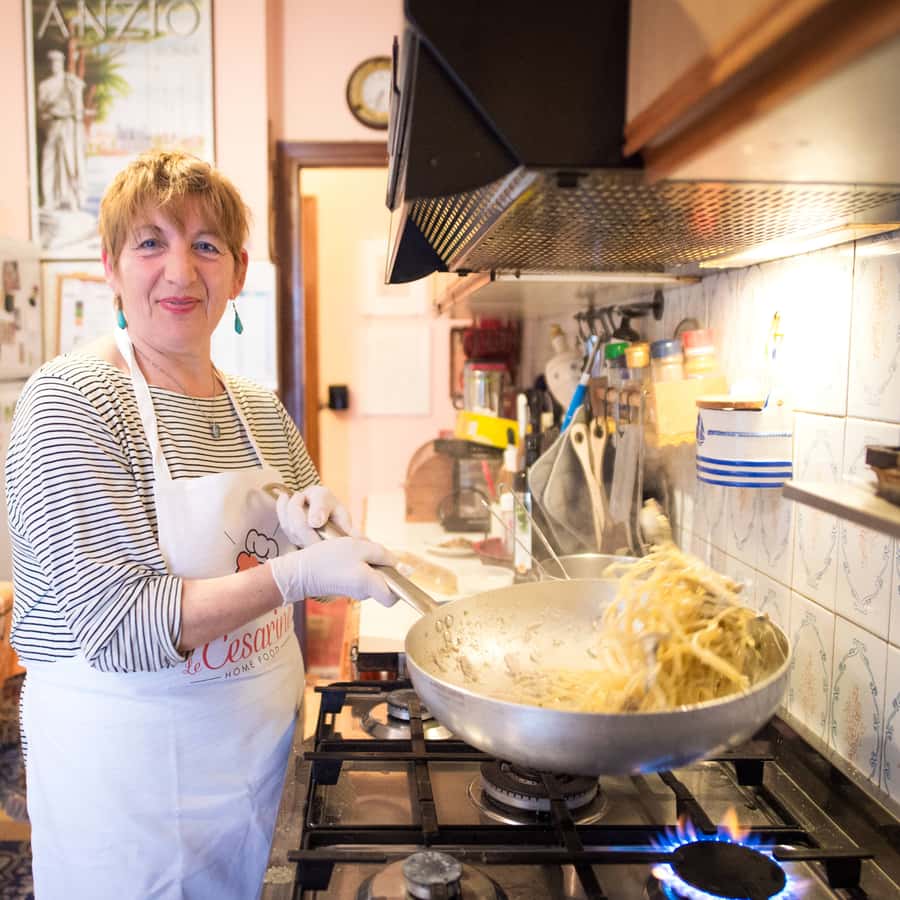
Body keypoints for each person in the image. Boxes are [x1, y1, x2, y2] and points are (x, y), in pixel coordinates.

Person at [5, 149, 398, 899]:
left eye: (206, 245)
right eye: (151, 242)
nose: (181, 271)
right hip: (132, 798)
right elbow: (121, 627)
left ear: (238, 272)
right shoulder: (72, 402)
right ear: (111, 266)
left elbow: (310, 553)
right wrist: (297, 572)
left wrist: (320, 529)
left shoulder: (258, 407)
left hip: (258, 767)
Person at [37, 48, 88, 212]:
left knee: (71, 163)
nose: (54, 65)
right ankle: (49, 199)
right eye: (51, 62)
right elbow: (41, 111)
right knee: (49, 162)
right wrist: (53, 111)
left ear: (62, 63)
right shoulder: (44, 86)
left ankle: (73, 199)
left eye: (57, 62)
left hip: (69, 127)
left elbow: (78, 108)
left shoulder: (70, 82)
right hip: (53, 126)